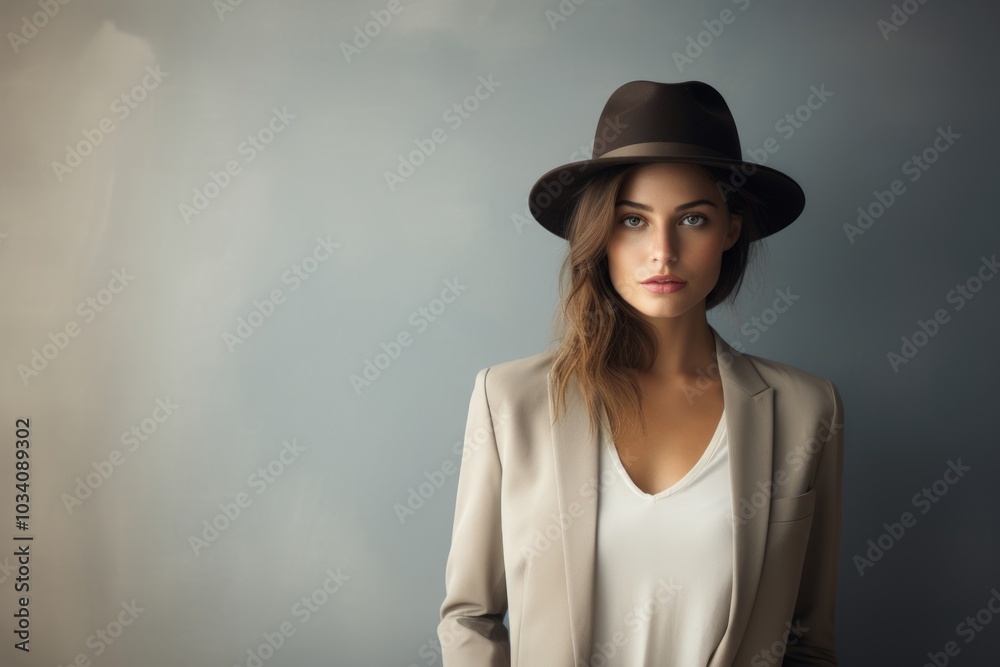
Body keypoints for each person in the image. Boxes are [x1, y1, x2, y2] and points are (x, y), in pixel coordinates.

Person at [437, 80, 845, 666]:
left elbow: (808, 640)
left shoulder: (807, 409)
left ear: (731, 231)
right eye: (633, 221)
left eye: (694, 219)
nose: (663, 251)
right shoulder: (510, 400)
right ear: (600, 235)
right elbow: (470, 616)